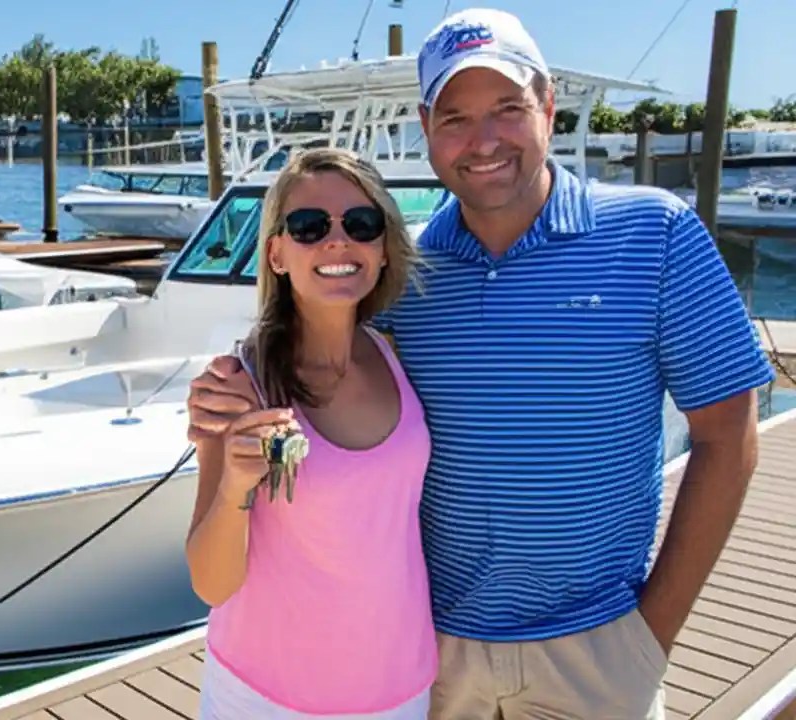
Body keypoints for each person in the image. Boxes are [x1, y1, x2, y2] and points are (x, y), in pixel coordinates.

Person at [186, 7, 774, 719]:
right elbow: (313, 330)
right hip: (434, 654)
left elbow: (728, 436)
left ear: (548, 108)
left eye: (507, 108)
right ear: (427, 130)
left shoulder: (657, 233)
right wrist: (224, 390)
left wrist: (652, 633)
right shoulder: (406, 276)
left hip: (599, 647)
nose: (483, 139)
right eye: (455, 117)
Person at [185, 146, 436, 719]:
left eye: (361, 223)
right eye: (308, 226)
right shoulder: (240, 386)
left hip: (400, 687)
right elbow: (211, 583)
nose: (337, 240)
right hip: (266, 697)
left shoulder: (394, 351)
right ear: (275, 253)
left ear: (381, 246)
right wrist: (233, 491)